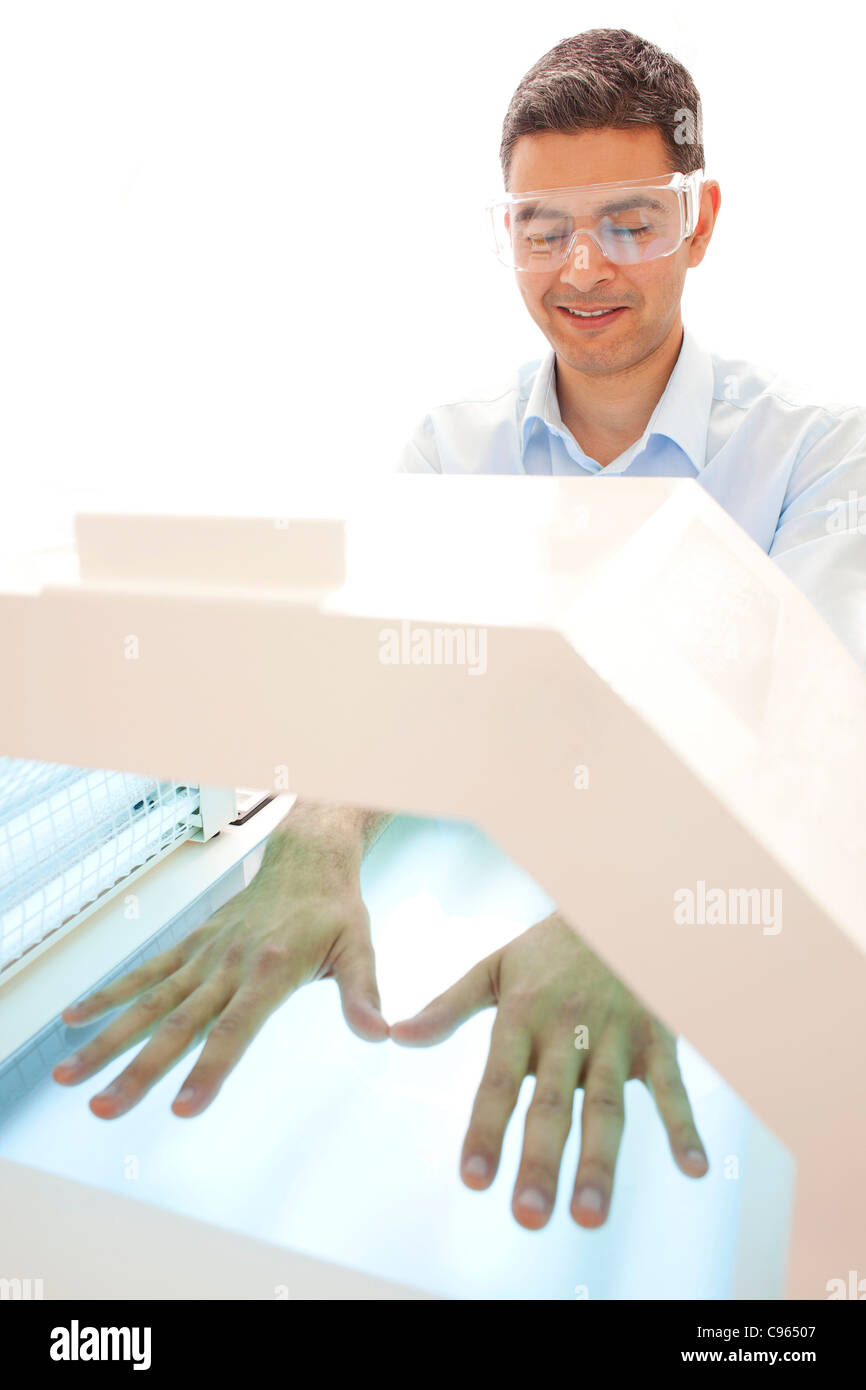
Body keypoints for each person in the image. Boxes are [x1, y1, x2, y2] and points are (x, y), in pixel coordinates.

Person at [53, 28, 866, 1236]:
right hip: (464, 906)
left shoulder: (815, 455)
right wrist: (316, 839)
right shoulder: (452, 447)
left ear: (699, 222)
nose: (583, 265)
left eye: (631, 220)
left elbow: (811, 729)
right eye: (543, 228)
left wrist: (631, 918)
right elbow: (377, 680)